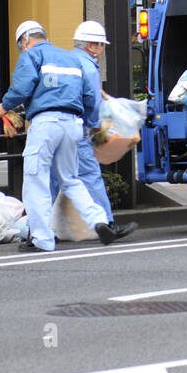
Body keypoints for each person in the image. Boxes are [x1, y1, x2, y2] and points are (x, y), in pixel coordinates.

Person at [0, 20, 116, 252]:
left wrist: (4, 105)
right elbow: (90, 95)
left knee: (36, 180)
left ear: (25, 40)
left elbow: (22, 88)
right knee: (71, 179)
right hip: (72, 125)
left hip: (45, 123)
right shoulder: (71, 58)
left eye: (21, 45)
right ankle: (98, 220)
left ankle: (42, 240)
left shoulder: (30, 56)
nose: (22, 48)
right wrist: (91, 124)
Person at [48, 20, 136, 239]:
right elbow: (92, 104)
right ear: (91, 45)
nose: (102, 50)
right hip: (77, 130)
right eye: (101, 45)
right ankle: (107, 223)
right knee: (90, 176)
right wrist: (99, 128)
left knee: (51, 179)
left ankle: (35, 228)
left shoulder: (65, 61)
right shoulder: (89, 67)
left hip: (53, 128)